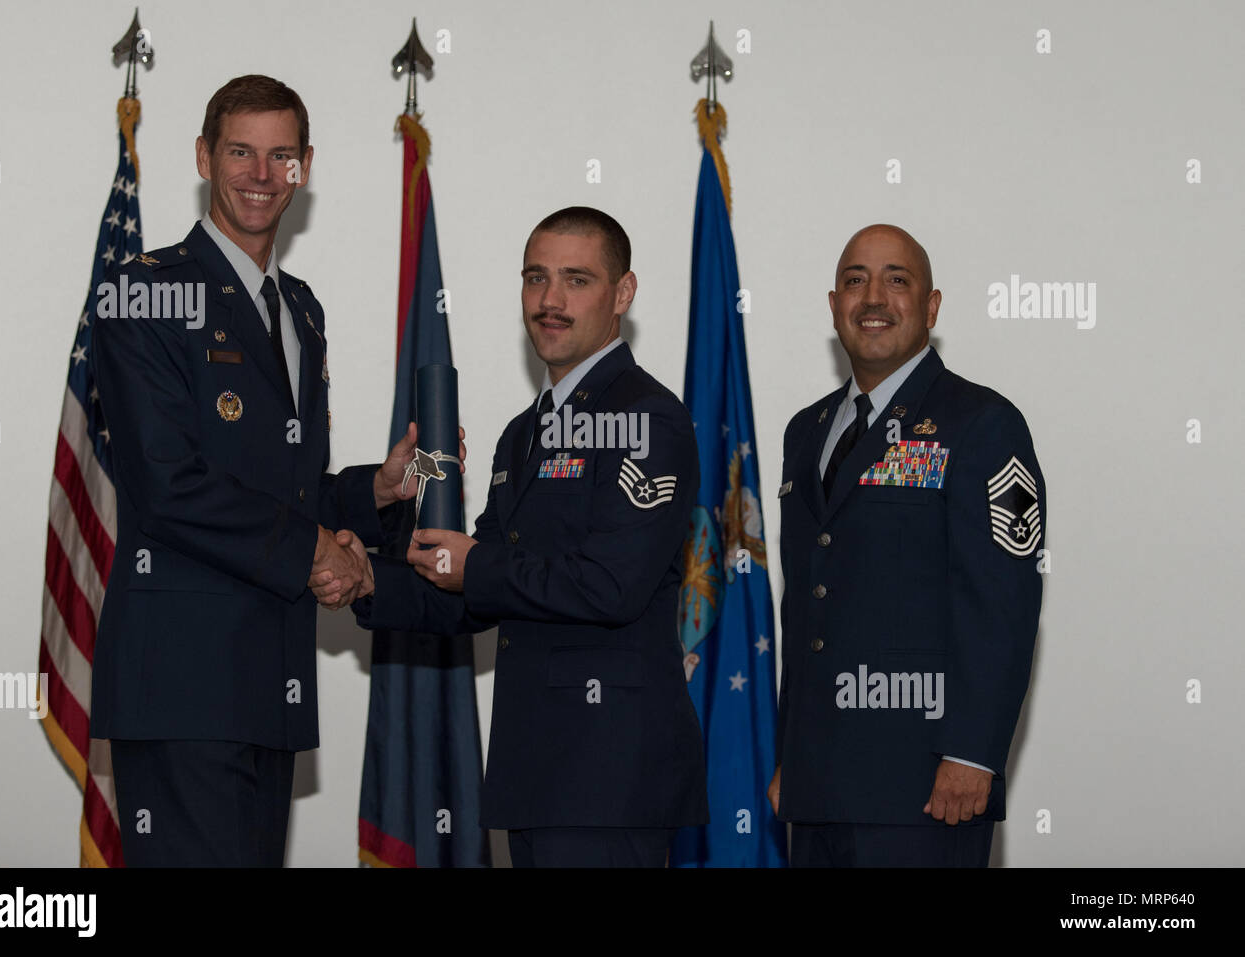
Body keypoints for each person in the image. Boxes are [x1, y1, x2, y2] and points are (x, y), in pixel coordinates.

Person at [92, 75, 425, 866]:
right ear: (205, 156)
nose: (261, 175)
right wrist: (316, 549)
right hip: (182, 679)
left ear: (305, 166)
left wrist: (369, 492)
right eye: (241, 152)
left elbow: (285, 489)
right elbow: (169, 483)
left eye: (282, 156)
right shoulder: (144, 292)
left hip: (270, 676)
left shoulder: (300, 307)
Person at [315, 207, 709, 867]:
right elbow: (470, 590)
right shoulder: (523, 434)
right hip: (534, 777)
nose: (550, 301)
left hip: (609, 781)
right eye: (536, 277)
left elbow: (610, 587)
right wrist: (370, 577)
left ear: (623, 293)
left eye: (576, 280)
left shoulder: (649, 419)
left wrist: (476, 566)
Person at [766, 224, 1045, 867]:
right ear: (833, 303)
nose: (874, 297)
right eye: (856, 280)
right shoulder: (804, 432)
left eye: (898, 280)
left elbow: (1001, 604)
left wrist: (973, 754)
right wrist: (793, 755)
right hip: (818, 790)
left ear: (932, 306)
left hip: (924, 791)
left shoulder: (981, 422)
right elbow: (808, 609)